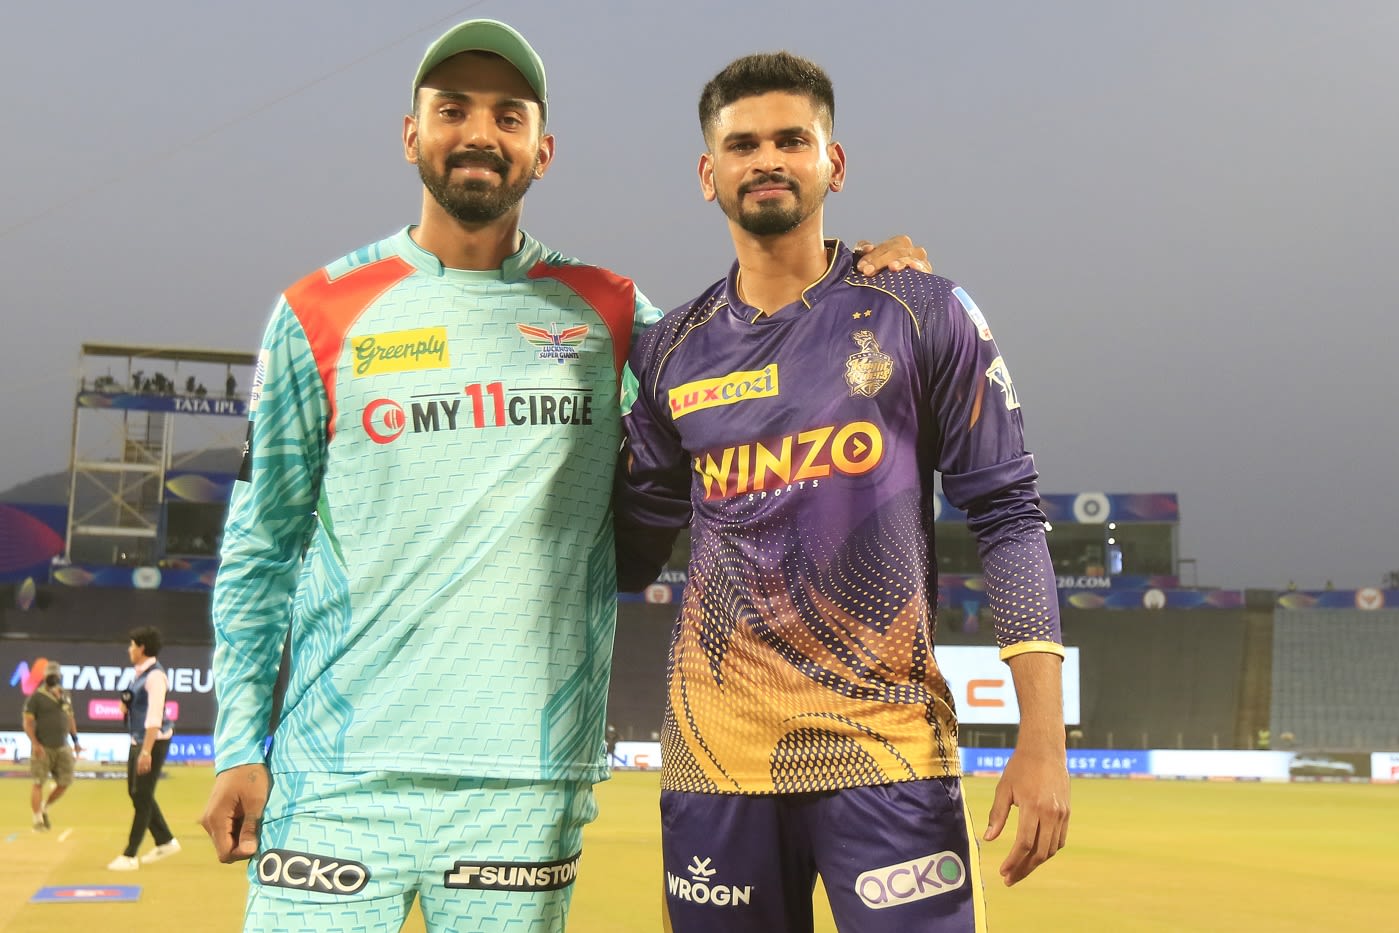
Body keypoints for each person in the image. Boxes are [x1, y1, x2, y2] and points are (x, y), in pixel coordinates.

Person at [200, 19, 927, 933]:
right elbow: (260, 548)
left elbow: (753, 355)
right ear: (411, 134)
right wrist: (238, 741)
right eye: (453, 110)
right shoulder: (317, 311)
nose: (479, 133)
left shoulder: (611, 313)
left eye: (509, 116)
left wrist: (854, 285)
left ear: (542, 151)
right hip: (333, 775)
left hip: (528, 784)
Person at [613, 52, 1070, 932]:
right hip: (717, 762)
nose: (768, 160)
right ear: (709, 174)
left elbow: (1010, 515)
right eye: (743, 145)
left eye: (792, 139)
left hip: (887, 756)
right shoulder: (670, 350)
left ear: (835, 162)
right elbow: (629, 539)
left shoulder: (923, 310)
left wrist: (1042, 738)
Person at [107, 626, 183, 870]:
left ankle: (130, 855)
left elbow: (154, 717)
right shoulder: (139, 674)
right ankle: (166, 841)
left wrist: (147, 751)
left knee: (142, 794)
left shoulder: (155, 676)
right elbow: (133, 706)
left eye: (132, 645)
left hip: (153, 741)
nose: (129, 650)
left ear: (141, 648)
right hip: (138, 739)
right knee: (137, 793)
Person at [22, 661, 80, 832]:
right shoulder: (36, 697)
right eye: (50, 675)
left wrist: (76, 741)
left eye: (55, 675)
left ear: (59, 676)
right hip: (43, 747)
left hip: (63, 746)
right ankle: (37, 819)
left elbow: (70, 718)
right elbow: (28, 723)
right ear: (45, 677)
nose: (53, 678)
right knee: (38, 782)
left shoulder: (65, 695)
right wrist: (35, 744)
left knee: (65, 781)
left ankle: (45, 807)